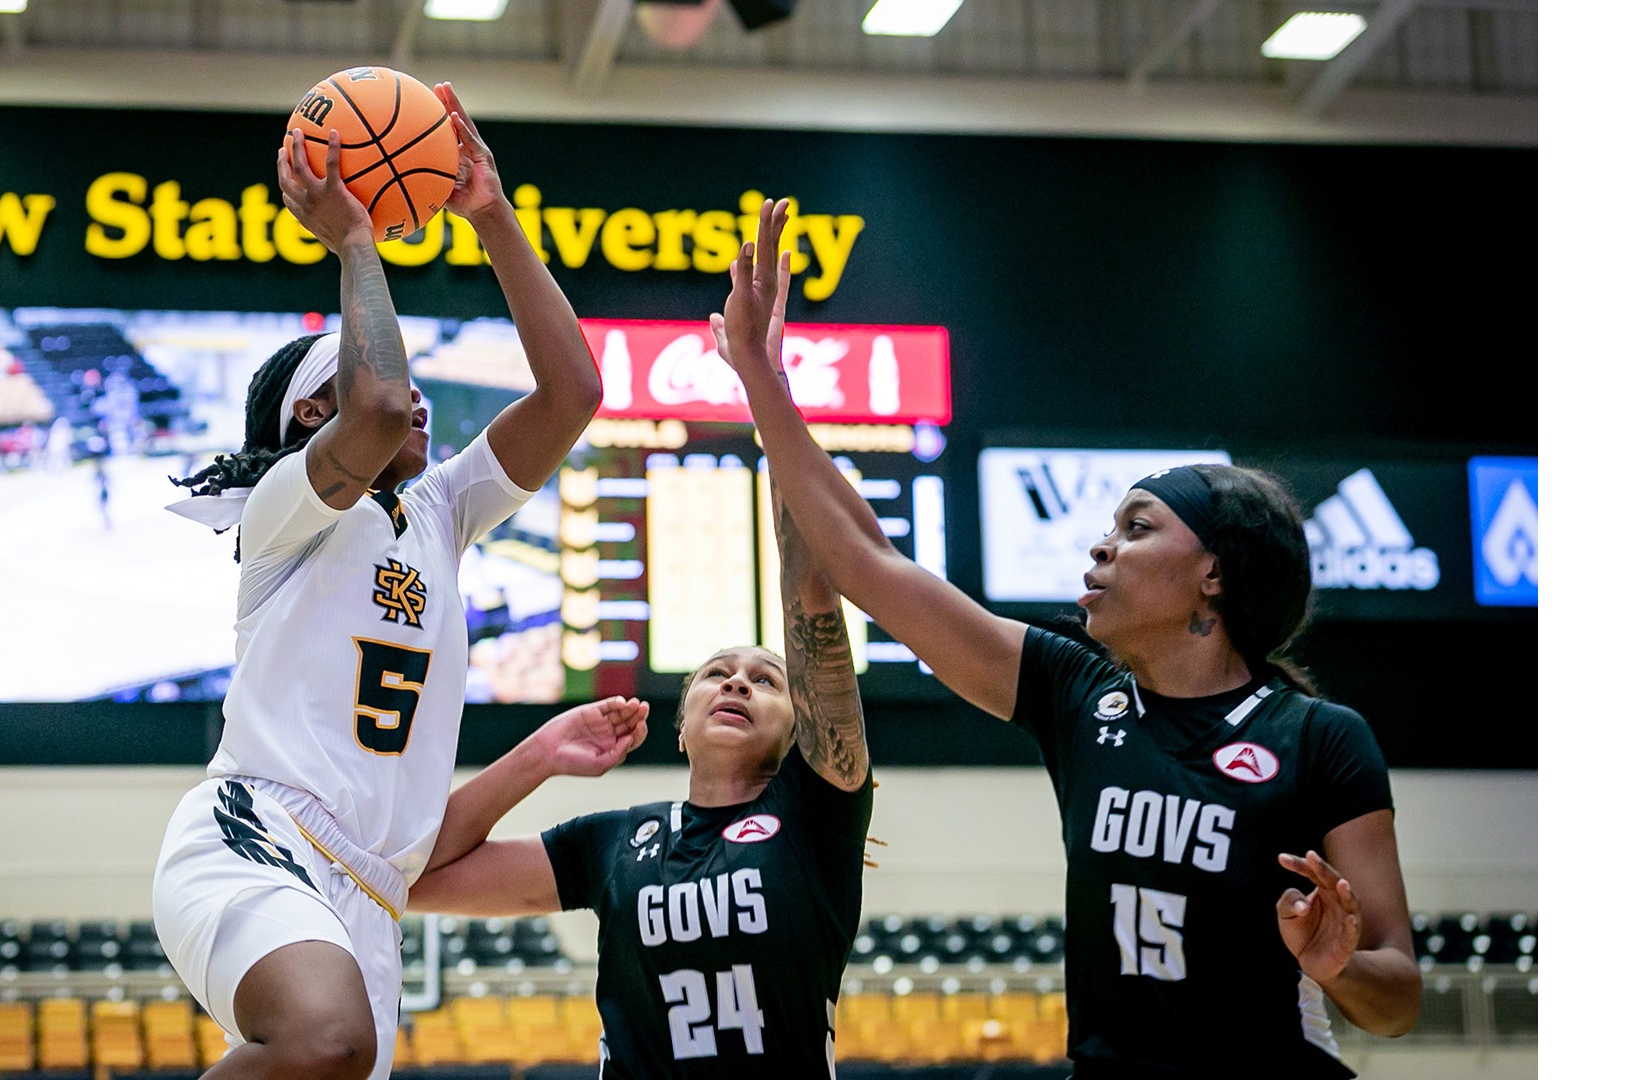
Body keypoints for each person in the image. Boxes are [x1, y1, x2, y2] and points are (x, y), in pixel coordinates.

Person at [709, 201, 1420, 1079]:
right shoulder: (1076, 694)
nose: (1101, 545)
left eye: (1137, 527)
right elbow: (863, 560)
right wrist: (759, 379)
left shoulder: (1318, 738)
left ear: (1214, 574)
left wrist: (1337, 962)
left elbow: (1400, 997)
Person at [150, 83, 606, 1080]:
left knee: (335, 1056)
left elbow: (573, 391)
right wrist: (356, 240)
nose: (417, 408)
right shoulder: (281, 511)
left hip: (373, 892)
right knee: (326, 1040)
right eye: (365, 389)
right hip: (257, 829)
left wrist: (494, 216)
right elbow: (380, 406)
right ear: (310, 417)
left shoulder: (439, 516)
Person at [409, 321, 875, 1074]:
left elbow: (813, 592)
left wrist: (766, 384)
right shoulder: (617, 842)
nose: (738, 683)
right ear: (682, 727)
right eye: (719, 673)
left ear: (800, 731)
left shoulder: (816, 816)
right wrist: (537, 756)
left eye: (766, 680)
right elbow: (416, 876)